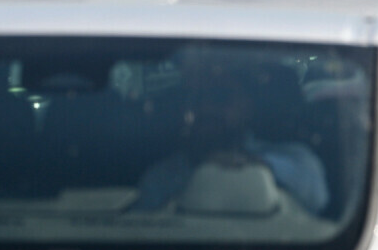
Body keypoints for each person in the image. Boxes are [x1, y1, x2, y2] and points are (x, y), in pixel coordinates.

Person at [135, 58, 329, 214]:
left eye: (221, 97)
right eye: (198, 100)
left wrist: (255, 164)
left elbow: (316, 196)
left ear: (248, 107)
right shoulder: (164, 175)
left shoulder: (296, 159)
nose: (207, 109)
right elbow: (146, 229)